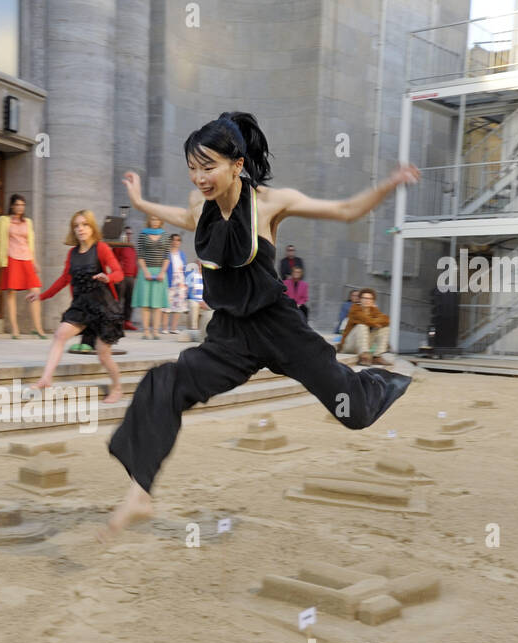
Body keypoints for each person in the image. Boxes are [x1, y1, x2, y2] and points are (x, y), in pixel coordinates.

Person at [103, 111, 417, 537]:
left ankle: (387, 381)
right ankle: (140, 493)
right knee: (163, 384)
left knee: (354, 412)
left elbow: (345, 210)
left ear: (237, 164)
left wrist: (389, 183)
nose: (199, 178)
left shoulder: (270, 203)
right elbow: (181, 215)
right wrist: (140, 205)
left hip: (280, 328)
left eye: (208, 166)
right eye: (192, 168)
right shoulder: (201, 206)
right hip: (230, 336)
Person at [28, 210, 125, 404]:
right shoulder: (72, 253)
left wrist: (108, 277)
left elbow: (119, 272)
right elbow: (64, 279)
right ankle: (46, 378)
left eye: (84, 224)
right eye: (77, 225)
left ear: (92, 227)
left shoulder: (101, 248)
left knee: (103, 354)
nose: (80, 228)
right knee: (59, 335)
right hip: (81, 306)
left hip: (102, 306)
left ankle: (117, 387)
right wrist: (42, 296)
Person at [0, 194, 45, 339]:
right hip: (11, 258)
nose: (20, 208)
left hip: (27, 259)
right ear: (12, 206)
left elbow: (31, 242)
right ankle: (15, 329)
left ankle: (38, 328)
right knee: (11, 294)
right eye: (18, 205)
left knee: (35, 291)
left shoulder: (28, 222)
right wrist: (1, 239)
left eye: (23, 205)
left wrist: (34, 262)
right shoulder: (4, 220)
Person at [133, 215, 170, 338]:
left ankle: (155, 331)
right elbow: (140, 255)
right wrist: (146, 271)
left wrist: (162, 272)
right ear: (149, 220)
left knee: (157, 304)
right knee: (145, 304)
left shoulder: (165, 235)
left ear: (161, 221)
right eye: (153, 219)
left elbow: (166, 256)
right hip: (146, 271)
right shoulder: (143, 235)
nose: (155, 221)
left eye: (157, 219)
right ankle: (146, 331)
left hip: (160, 271)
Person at [338, 288, 392, 365]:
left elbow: (386, 320)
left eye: (370, 298)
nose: (367, 300)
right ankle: (364, 357)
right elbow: (365, 319)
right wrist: (376, 321)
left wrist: (375, 322)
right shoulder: (354, 309)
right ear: (360, 299)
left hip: (365, 344)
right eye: (364, 298)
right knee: (362, 325)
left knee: (385, 328)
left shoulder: (374, 310)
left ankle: (376, 357)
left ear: (373, 301)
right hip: (350, 344)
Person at [165, 234, 189, 334]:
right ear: (170, 241)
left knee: (178, 306)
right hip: (170, 281)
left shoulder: (182, 254)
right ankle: (165, 328)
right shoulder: (167, 254)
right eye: (174, 240)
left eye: (178, 240)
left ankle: (174, 328)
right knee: (166, 306)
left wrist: (186, 283)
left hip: (180, 282)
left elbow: (184, 269)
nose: (176, 242)